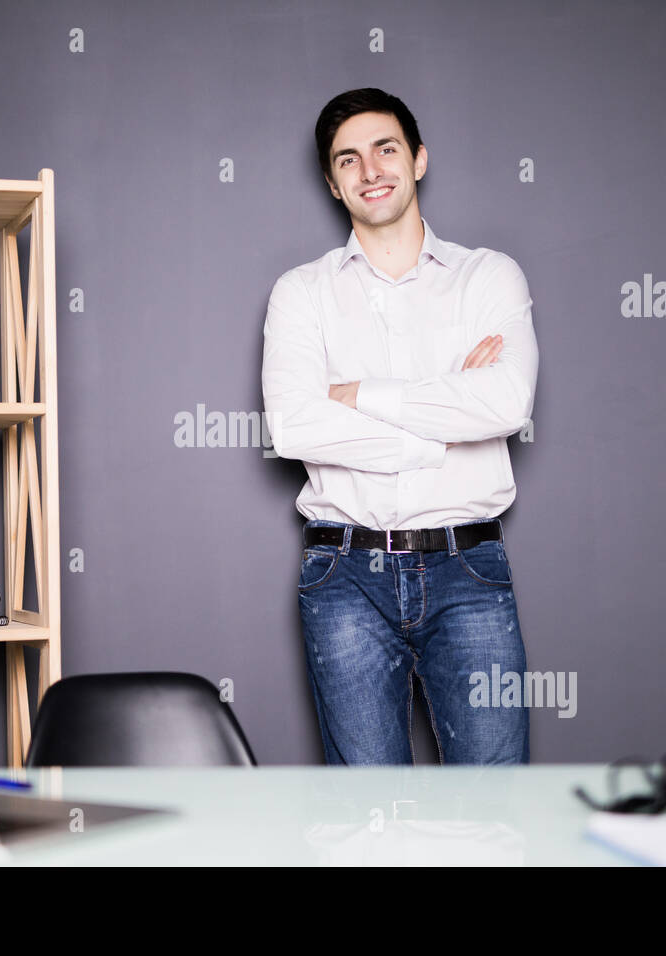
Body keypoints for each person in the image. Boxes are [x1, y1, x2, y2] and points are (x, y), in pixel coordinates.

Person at [261, 88, 539, 765]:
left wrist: (357, 394)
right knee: (367, 816)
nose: (370, 170)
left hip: (467, 568)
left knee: (496, 805)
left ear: (417, 159)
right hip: (344, 574)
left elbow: (505, 405)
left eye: (386, 149)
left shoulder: (488, 276)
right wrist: (442, 425)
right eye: (348, 159)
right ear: (332, 182)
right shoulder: (302, 292)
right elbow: (295, 427)